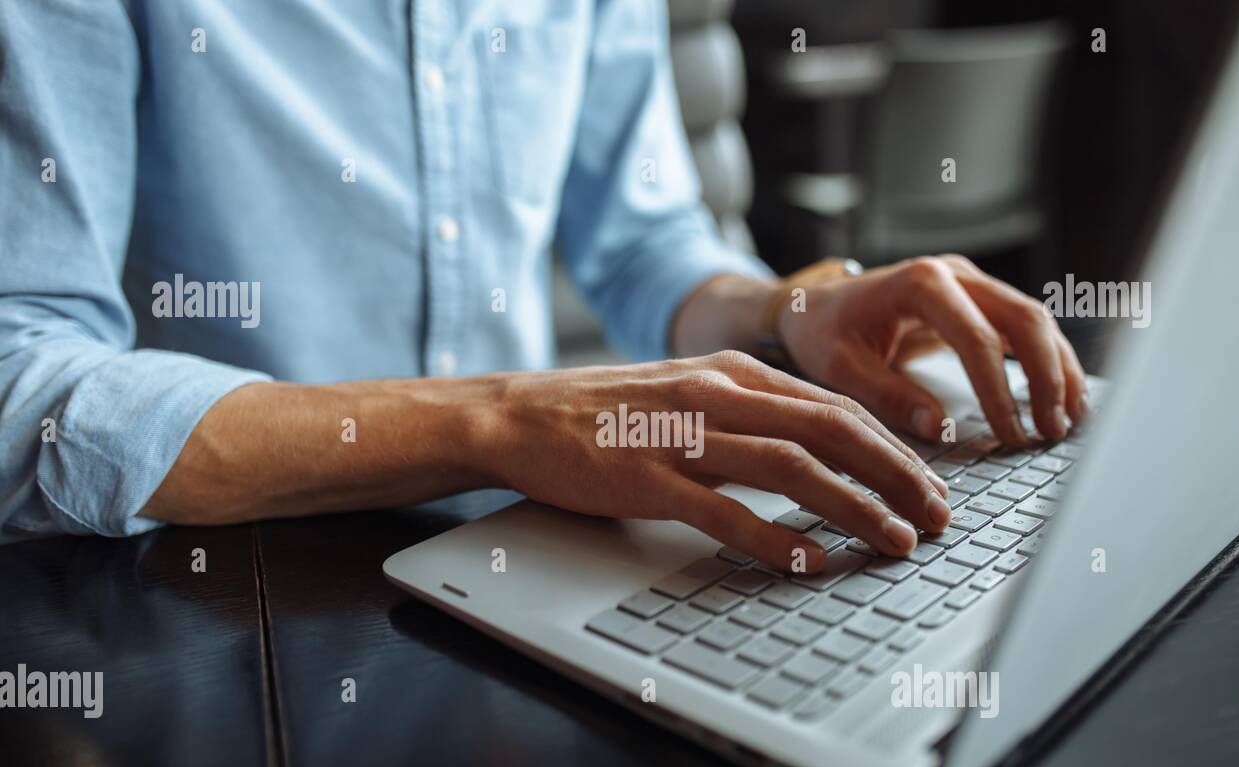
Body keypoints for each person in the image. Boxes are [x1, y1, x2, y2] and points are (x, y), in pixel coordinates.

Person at [0, 0, 1087, 572]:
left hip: (523, 546)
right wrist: (496, 418)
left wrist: (788, 308)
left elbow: (643, 242)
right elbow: (24, 388)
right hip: (222, 584)